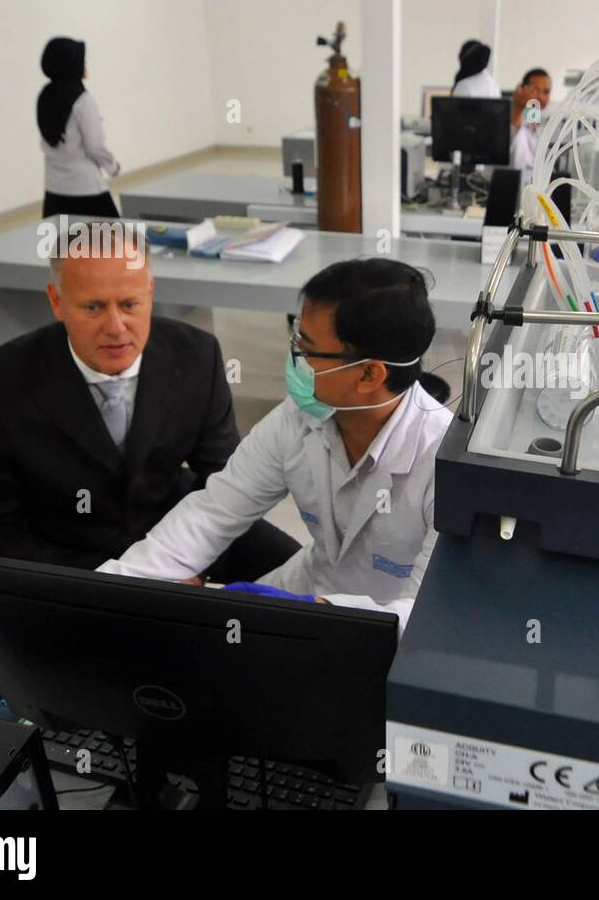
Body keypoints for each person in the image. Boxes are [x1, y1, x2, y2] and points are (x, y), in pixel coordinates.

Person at [99, 259, 451, 636]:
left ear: (368, 374)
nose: (294, 358)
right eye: (296, 339)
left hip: (386, 631)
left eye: (306, 349)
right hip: (307, 591)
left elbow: (432, 613)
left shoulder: (446, 464)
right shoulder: (298, 419)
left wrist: (320, 612)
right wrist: (110, 592)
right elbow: (213, 511)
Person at [0, 223, 301, 578]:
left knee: (305, 581)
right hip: (65, 554)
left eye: (130, 304)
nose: (116, 327)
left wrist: (189, 563)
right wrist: (92, 588)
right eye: (93, 307)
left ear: (150, 292)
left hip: (175, 529)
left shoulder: (197, 355)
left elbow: (225, 481)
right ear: (57, 302)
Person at [37, 37, 121, 219]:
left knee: (62, 246)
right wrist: (112, 166)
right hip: (87, 190)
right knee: (116, 246)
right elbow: (94, 146)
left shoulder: (45, 97)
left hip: (55, 191)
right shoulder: (83, 100)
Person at [509, 67, 552, 185]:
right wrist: (518, 104)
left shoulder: (536, 122)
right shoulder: (515, 116)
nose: (541, 96)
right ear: (522, 89)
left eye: (546, 92)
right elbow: (514, 124)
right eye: (535, 90)